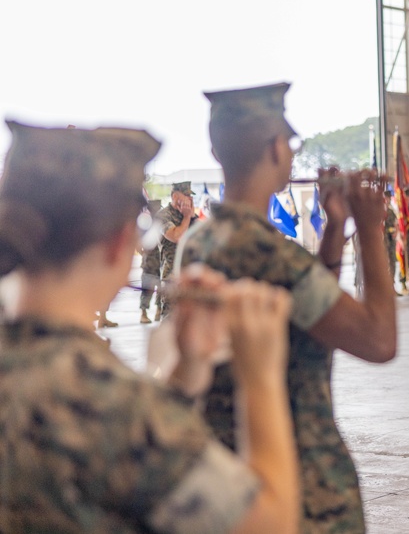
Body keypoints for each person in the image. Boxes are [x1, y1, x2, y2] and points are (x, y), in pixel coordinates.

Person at [0, 121, 300, 533]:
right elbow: (271, 524)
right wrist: (262, 377)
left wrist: (186, 374)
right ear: (119, 242)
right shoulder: (112, 401)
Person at [178, 81, 398, 533]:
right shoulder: (266, 251)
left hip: (231, 471)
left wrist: (335, 227)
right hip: (300, 486)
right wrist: (371, 229)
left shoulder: (203, 239)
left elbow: (309, 309)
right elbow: (379, 340)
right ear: (277, 148)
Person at [155, 181, 197, 319]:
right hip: (172, 278)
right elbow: (176, 236)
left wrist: (192, 216)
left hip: (191, 278)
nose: (189, 199)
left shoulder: (191, 216)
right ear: (174, 196)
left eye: (190, 196)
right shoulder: (163, 215)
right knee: (169, 322)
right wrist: (186, 217)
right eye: (185, 195)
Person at [138, 199, 162, 323]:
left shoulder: (162, 222)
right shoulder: (145, 223)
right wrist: (143, 252)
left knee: (161, 288)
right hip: (149, 263)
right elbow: (137, 241)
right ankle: (143, 313)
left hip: (161, 262)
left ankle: (159, 310)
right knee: (147, 289)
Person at [383, 189, 401, 297]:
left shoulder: (391, 211)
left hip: (390, 239)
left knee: (392, 263)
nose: (388, 200)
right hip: (382, 241)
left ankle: (392, 286)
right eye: (386, 198)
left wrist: (396, 232)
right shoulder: (377, 211)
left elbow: (396, 224)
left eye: (389, 198)